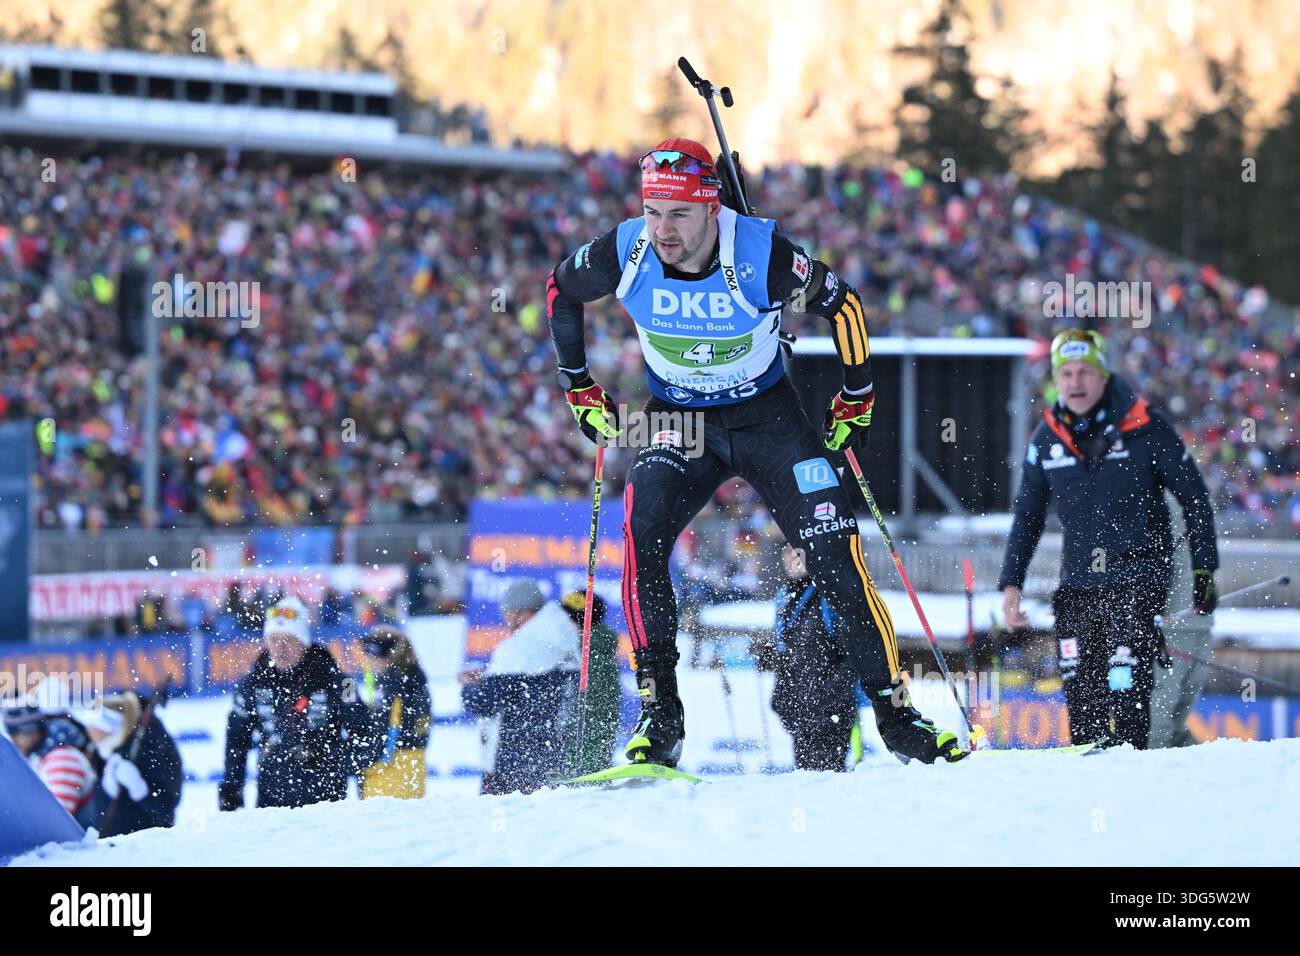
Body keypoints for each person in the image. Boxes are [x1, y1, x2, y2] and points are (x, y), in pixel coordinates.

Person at [545, 137, 964, 767]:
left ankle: (896, 714)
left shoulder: (758, 252)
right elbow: (559, 291)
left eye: (680, 214)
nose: (663, 230)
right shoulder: (627, 248)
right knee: (640, 531)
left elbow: (842, 304)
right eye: (654, 211)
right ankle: (661, 714)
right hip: (680, 419)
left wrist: (857, 398)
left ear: (713, 209)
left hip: (767, 418)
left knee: (834, 552)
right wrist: (579, 385)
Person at [998, 329, 1220, 748]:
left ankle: (1131, 794)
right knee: (1083, 704)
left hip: (1138, 582)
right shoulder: (1046, 439)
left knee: (1127, 696)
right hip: (1079, 587)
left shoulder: (1147, 427)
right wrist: (1012, 584)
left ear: (1103, 377)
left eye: (1085, 372)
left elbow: (1195, 499)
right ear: (1055, 380)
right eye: (1066, 374)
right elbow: (1027, 516)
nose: (1075, 383)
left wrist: (1204, 569)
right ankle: (1088, 797)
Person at [220, 596, 372, 810]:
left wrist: (328, 757)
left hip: (327, 803)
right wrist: (231, 788)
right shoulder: (252, 682)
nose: (281, 648)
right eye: (274, 639)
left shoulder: (339, 680)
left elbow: (365, 733)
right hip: (272, 803)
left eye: (289, 640)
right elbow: (236, 739)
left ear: (303, 643)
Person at [460, 580, 580, 794]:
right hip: (554, 756)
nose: (505, 619)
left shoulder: (519, 647)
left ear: (518, 612)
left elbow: (485, 702)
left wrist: (469, 686)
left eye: (506, 613)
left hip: (513, 761)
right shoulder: (564, 637)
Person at [771, 544, 859, 771]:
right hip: (800, 717)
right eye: (788, 552)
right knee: (805, 785)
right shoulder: (784, 596)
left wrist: (824, 701)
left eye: (798, 552)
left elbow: (851, 659)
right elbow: (784, 654)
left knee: (827, 785)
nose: (792, 558)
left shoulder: (830, 595)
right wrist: (781, 700)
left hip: (831, 717)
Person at [78, 692, 182, 838]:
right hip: (111, 845)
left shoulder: (152, 746)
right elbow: (103, 811)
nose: (88, 731)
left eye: (93, 726)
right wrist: (105, 791)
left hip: (146, 845)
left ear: (108, 727)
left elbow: (165, 810)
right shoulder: (103, 751)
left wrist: (140, 791)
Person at [356, 623, 432, 799]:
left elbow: (389, 729)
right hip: (413, 765)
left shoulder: (394, 682)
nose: (367, 660)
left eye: (370, 655)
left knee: (385, 824)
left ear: (383, 656)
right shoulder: (412, 677)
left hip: (392, 770)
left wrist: (369, 763)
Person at [2, 706, 100, 825]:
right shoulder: (39, 755)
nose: (14, 740)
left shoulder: (62, 759)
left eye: (19, 733)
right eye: (11, 734)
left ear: (34, 730)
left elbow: (56, 820)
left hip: (86, 840)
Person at [559, 590, 621, 775]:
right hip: (599, 713)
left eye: (569, 619)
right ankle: (593, 776)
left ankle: (586, 777)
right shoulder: (597, 643)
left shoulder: (584, 646)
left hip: (588, 712)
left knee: (583, 751)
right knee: (596, 750)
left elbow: (597, 690)